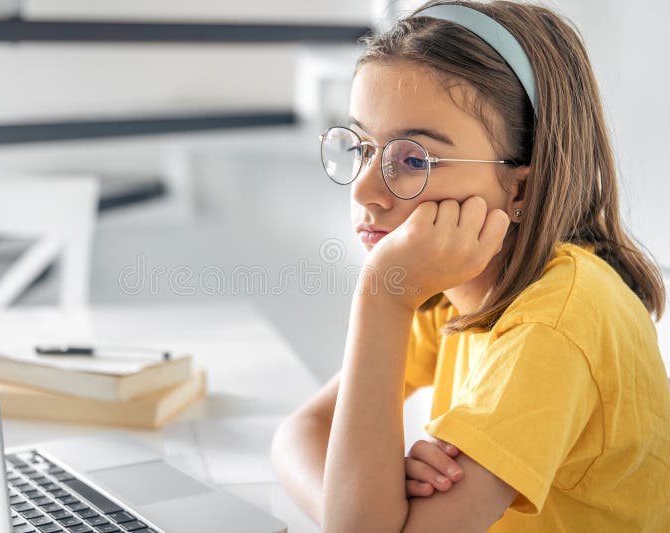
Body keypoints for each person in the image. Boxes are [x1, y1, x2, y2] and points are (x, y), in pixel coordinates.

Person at [270, 1, 670, 531]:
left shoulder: (558, 322)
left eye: (413, 160)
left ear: (520, 187)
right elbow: (299, 433)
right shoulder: (456, 290)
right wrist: (373, 502)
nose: (365, 190)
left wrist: (382, 296)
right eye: (363, 147)